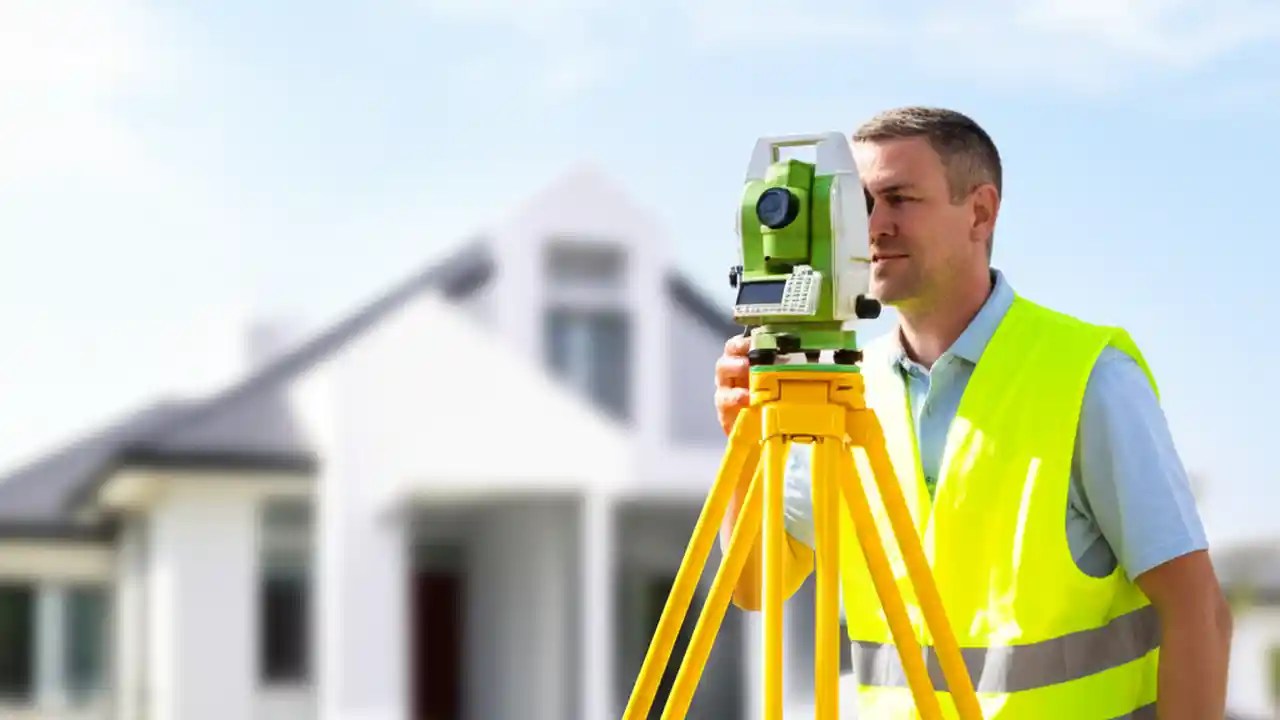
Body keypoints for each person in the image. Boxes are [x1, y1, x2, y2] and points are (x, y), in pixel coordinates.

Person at [713, 106, 1232, 718]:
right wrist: (743, 441)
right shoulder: (843, 391)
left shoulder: (1088, 377)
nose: (873, 227)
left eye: (899, 199)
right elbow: (753, 585)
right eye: (857, 205)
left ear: (980, 212)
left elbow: (1199, 612)